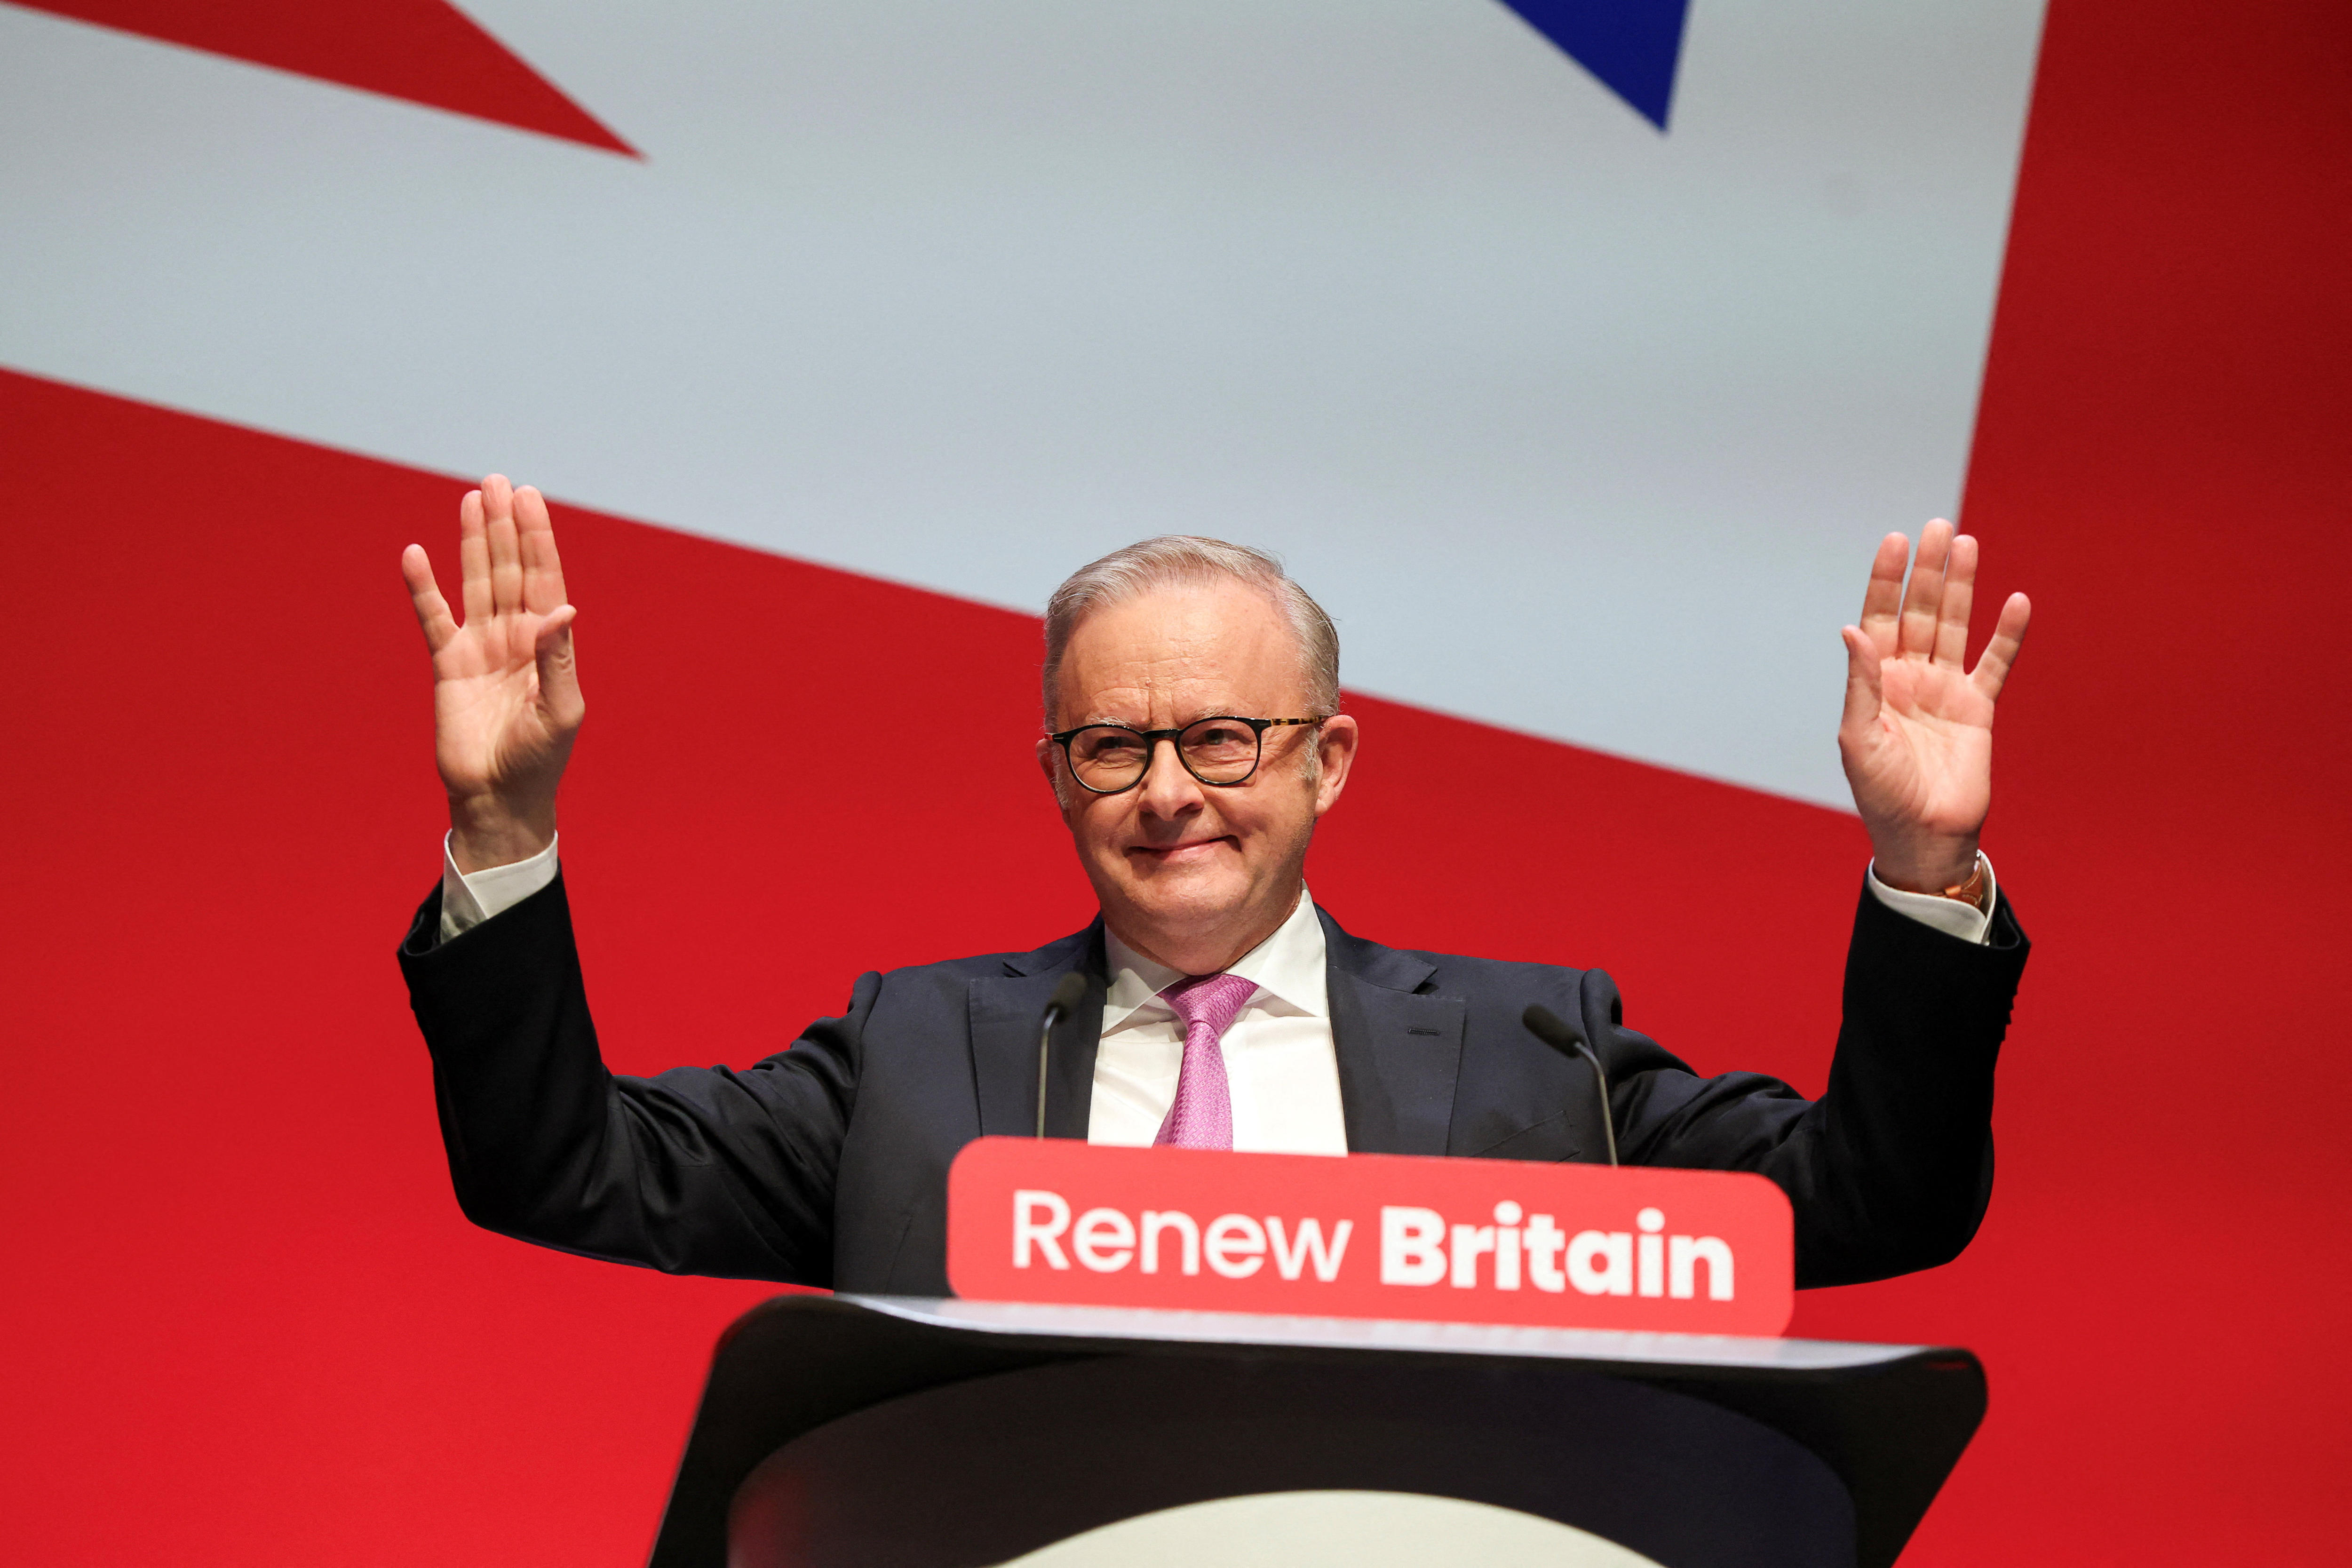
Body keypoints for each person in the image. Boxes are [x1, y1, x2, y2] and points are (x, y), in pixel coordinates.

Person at [397, 476, 2032, 1294]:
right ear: (1053, 777)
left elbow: (1873, 1202)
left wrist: (1922, 863)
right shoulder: (911, 1057)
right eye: (1113, 745)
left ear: (1330, 762)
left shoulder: (1541, 1060)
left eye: (1226, 739)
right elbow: (563, 1170)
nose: (1169, 790)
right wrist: (502, 828)